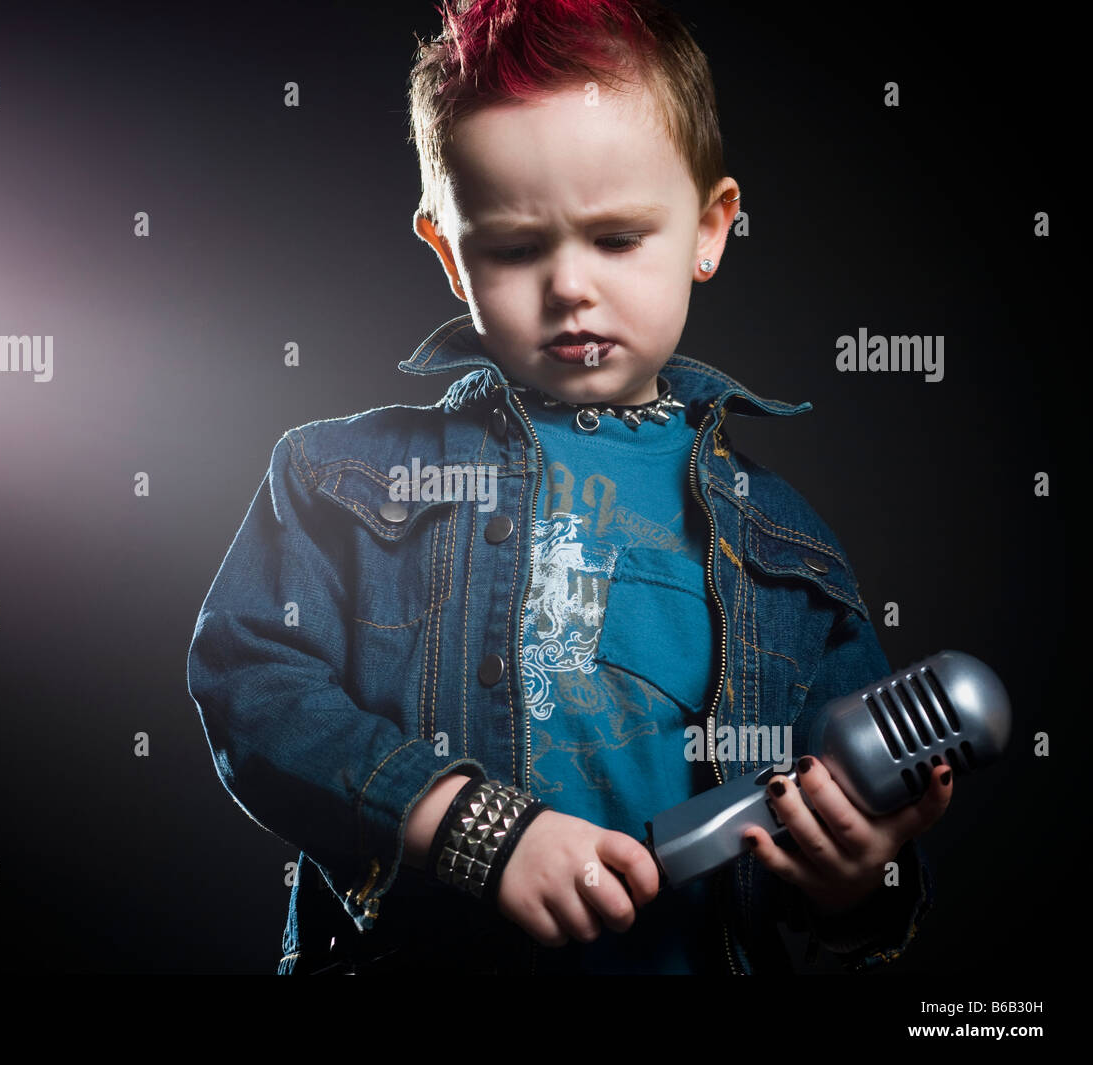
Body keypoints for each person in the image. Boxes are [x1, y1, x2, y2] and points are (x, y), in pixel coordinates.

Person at [186, 0, 951, 974]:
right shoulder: (340, 477)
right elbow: (250, 687)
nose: (570, 288)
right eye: (513, 247)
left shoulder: (786, 549)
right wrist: (470, 824)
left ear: (710, 229)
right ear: (446, 253)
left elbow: (845, 831)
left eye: (619, 238)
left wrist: (857, 882)